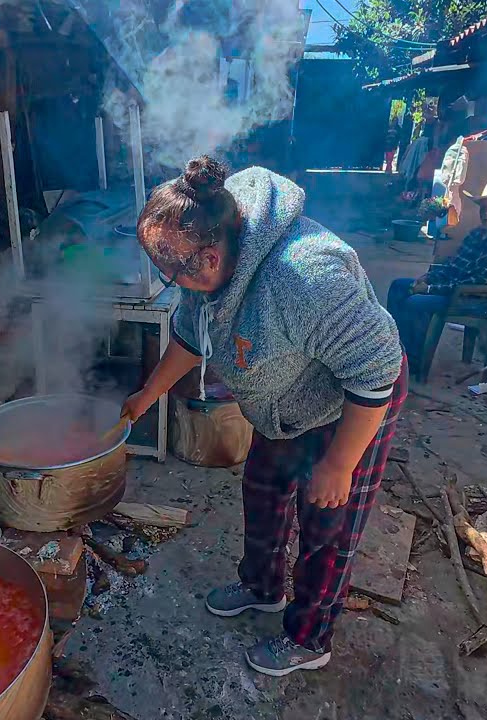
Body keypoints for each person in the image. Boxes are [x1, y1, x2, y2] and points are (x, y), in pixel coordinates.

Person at [120, 156, 407, 677]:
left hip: (353, 403)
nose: (168, 280)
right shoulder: (206, 264)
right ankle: (262, 586)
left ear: (209, 258)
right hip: (282, 403)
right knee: (264, 490)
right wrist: (147, 394)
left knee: (327, 525)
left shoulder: (306, 275)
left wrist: (340, 463)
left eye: (172, 271)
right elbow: (191, 334)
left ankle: (309, 637)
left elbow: (375, 371)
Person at [387, 178, 487, 371]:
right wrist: (429, 278)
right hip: (460, 290)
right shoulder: (478, 233)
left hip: (482, 300)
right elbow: (455, 266)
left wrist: (430, 289)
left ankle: (413, 363)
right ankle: (393, 349)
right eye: (484, 207)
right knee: (398, 286)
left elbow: (484, 281)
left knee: (415, 303)